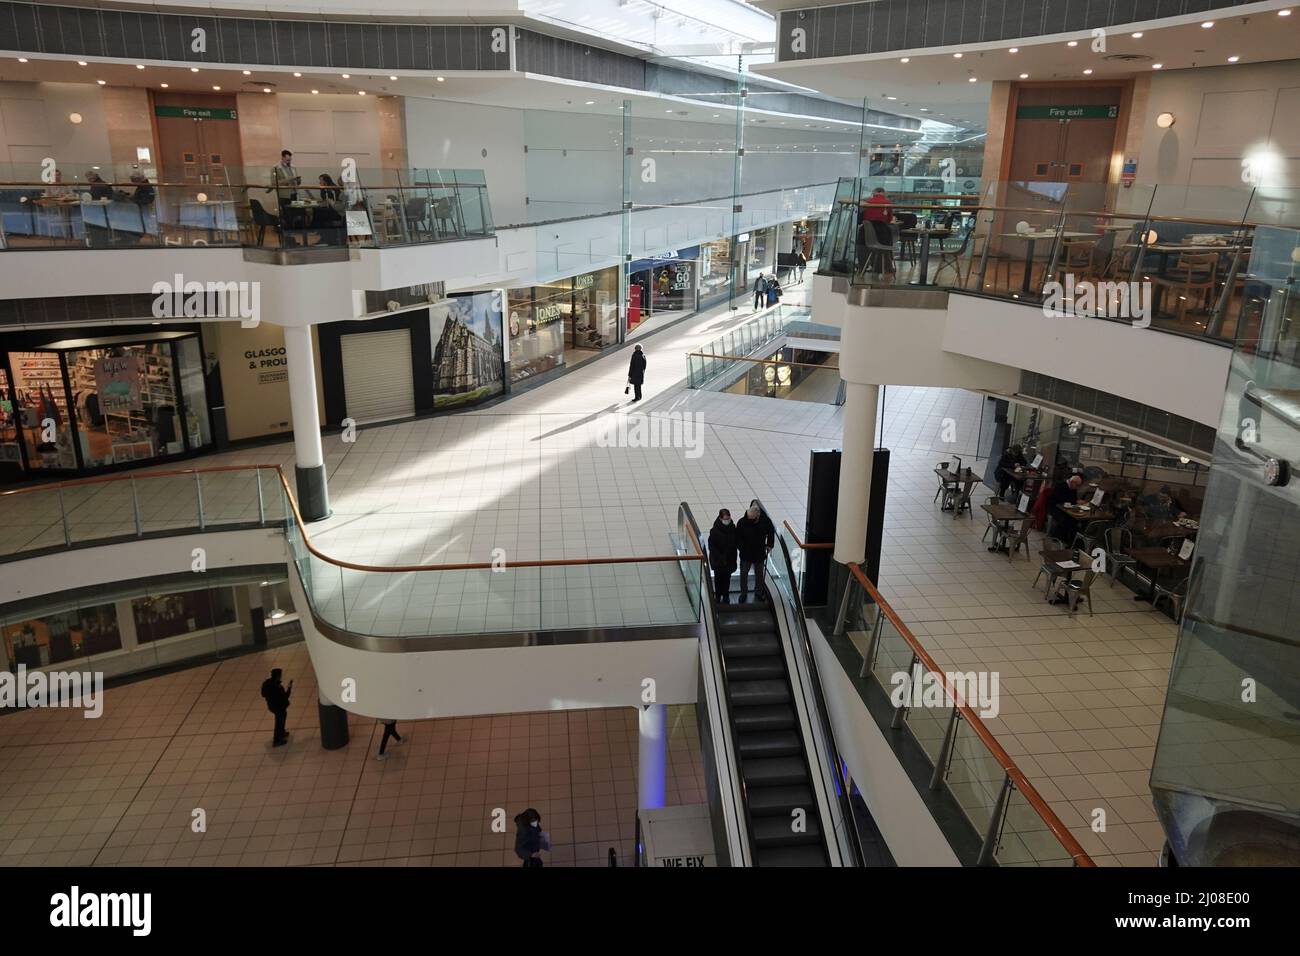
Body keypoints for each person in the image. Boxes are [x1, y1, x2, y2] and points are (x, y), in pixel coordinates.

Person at [735, 501, 775, 602]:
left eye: (752, 519)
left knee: (759, 574)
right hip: (746, 553)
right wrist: (741, 548)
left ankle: (758, 591)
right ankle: (743, 592)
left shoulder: (765, 521)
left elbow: (771, 532)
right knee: (744, 573)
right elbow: (737, 537)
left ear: (758, 515)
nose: (749, 520)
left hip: (759, 553)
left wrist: (770, 544)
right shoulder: (742, 522)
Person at [707, 509, 739, 603]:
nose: (727, 520)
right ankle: (718, 595)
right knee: (718, 579)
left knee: (727, 578)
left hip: (729, 560)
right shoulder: (714, 531)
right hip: (718, 561)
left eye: (728, 518)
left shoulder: (733, 529)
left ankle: (725, 594)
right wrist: (720, 557)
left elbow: (736, 542)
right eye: (725, 519)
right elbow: (712, 546)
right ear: (720, 518)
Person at [259, 668, 293, 747]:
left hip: (272, 706)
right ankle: (277, 740)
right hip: (279, 707)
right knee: (279, 723)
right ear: (278, 676)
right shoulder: (277, 687)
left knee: (281, 718)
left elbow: (263, 694)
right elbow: (285, 697)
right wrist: (289, 688)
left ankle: (281, 733)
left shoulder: (267, 683)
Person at [1048, 474, 1085, 544]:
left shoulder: (1073, 488)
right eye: (1077, 485)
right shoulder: (1061, 486)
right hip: (1055, 507)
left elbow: (1073, 499)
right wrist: (1075, 502)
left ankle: (1072, 540)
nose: (1077, 488)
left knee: (1075, 520)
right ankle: (1057, 537)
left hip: (1066, 509)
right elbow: (1060, 500)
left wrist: (1077, 502)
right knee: (1066, 519)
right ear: (1072, 482)